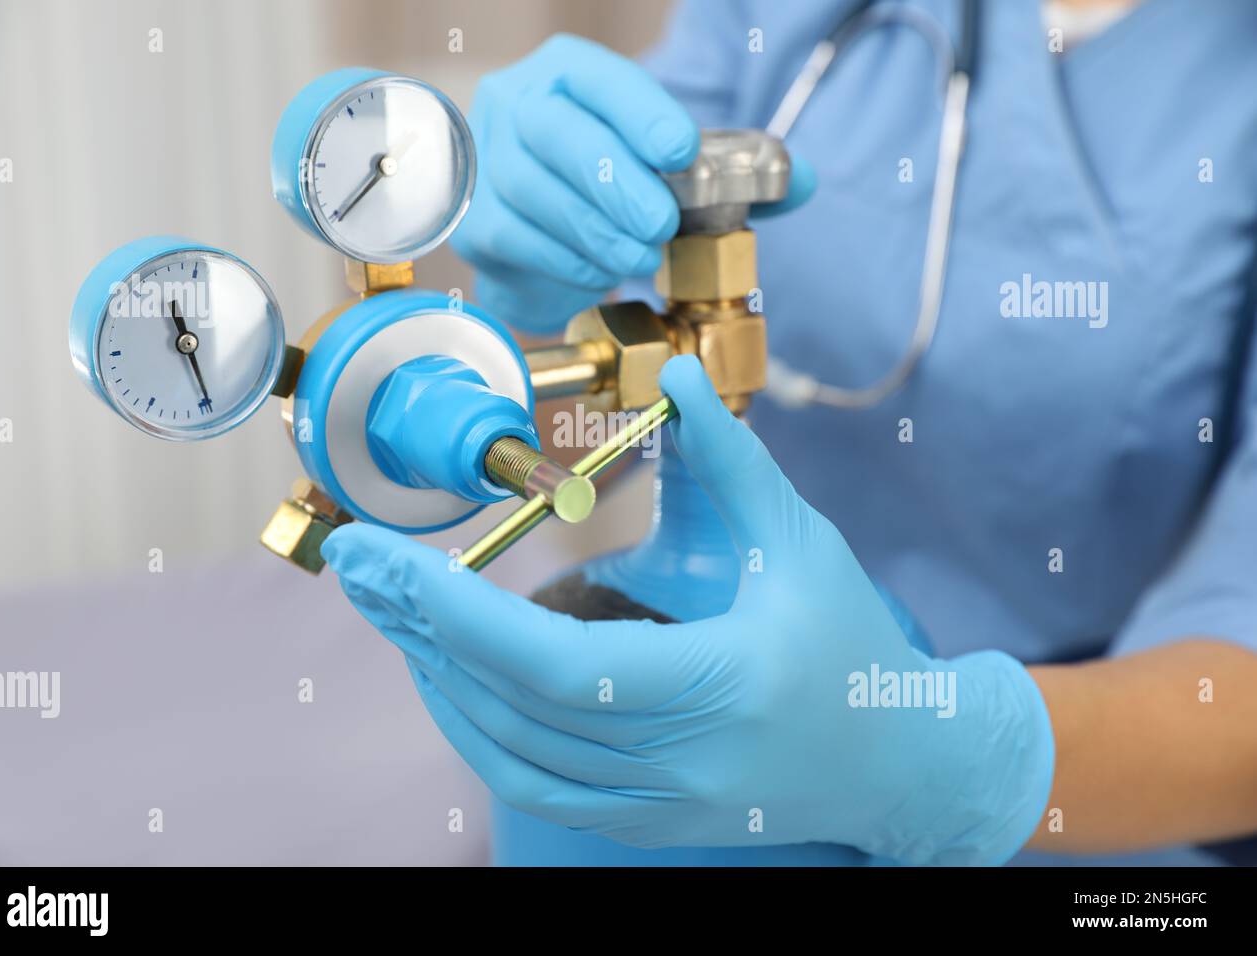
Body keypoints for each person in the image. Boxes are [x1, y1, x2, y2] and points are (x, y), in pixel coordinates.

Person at [322, 0, 1257, 865]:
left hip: (1099, 798)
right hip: (689, 699)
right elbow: (580, 426)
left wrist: (952, 753)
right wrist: (526, 302)